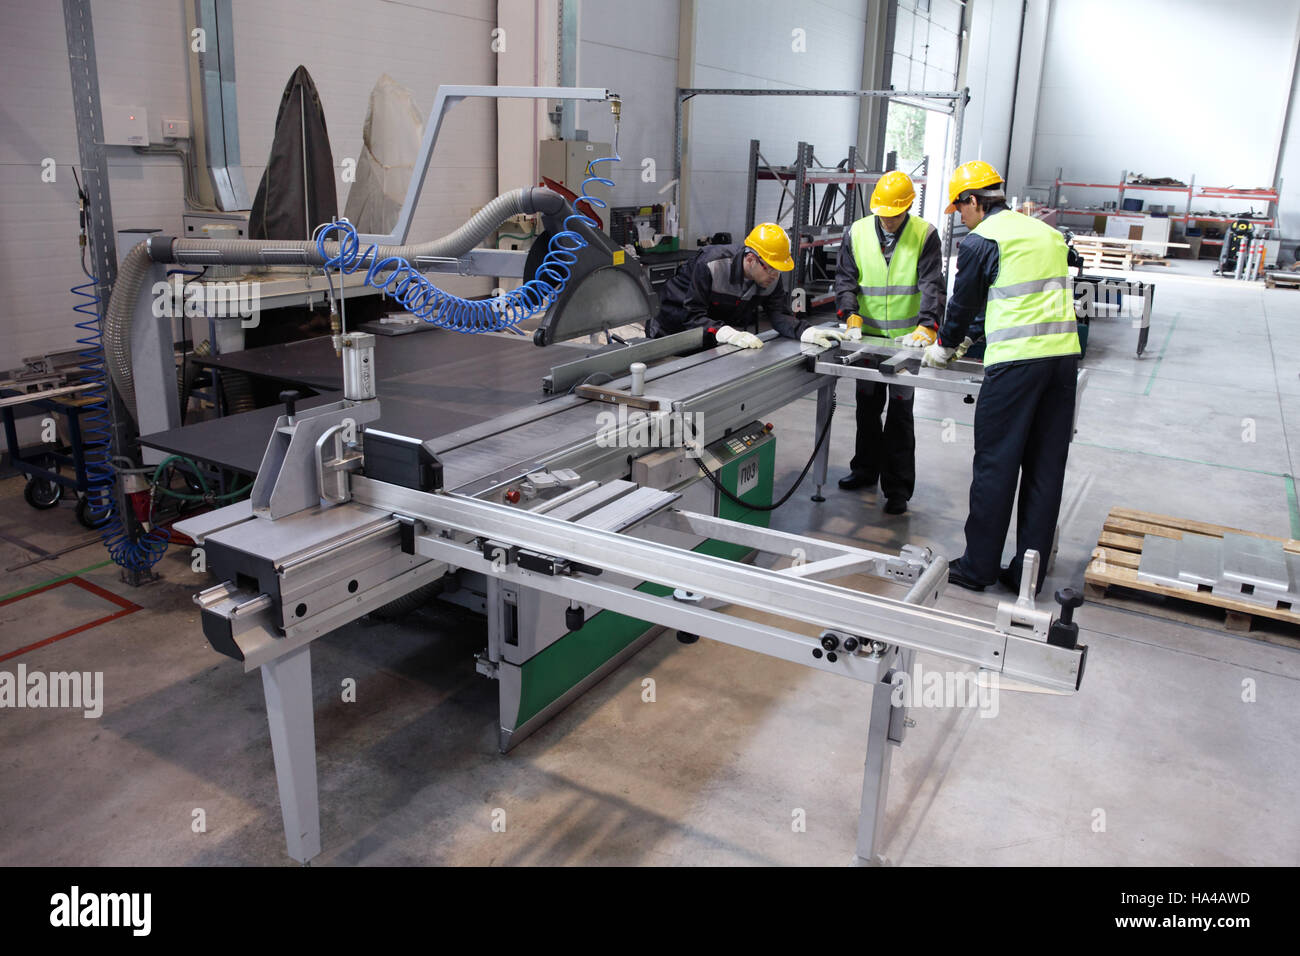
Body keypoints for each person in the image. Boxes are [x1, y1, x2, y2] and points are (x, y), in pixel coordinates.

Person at [923, 160, 1081, 595]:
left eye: (961, 208)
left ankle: (978, 568)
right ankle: (1028, 571)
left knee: (996, 464)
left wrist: (945, 345)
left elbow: (963, 303)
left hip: (1016, 364)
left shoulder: (983, 240)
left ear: (974, 201)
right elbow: (1013, 292)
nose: (962, 218)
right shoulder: (1045, 233)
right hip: (1063, 360)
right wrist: (972, 337)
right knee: (1045, 468)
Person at [832, 170, 946, 515]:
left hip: (904, 343)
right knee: (866, 408)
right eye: (884, 214)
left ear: (907, 207)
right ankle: (864, 470)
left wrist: (928, 326)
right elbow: (845, 279)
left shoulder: (925, 235)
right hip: (865, 339)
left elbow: (931, 283)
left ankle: (897, 489)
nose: (889, 221)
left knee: (899, 415)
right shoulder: (857, 232)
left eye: (895, 215)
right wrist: (849, 314)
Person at [645, 223, 847, 350]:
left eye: (779, 270)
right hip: (671, 334)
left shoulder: (770, 277)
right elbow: (691, 316)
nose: (775, 276)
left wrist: (805, 331)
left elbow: (778, 315)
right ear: (751, 259)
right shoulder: (711, 265)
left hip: (710, 337)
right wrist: (726, 333)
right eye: (770, 269)